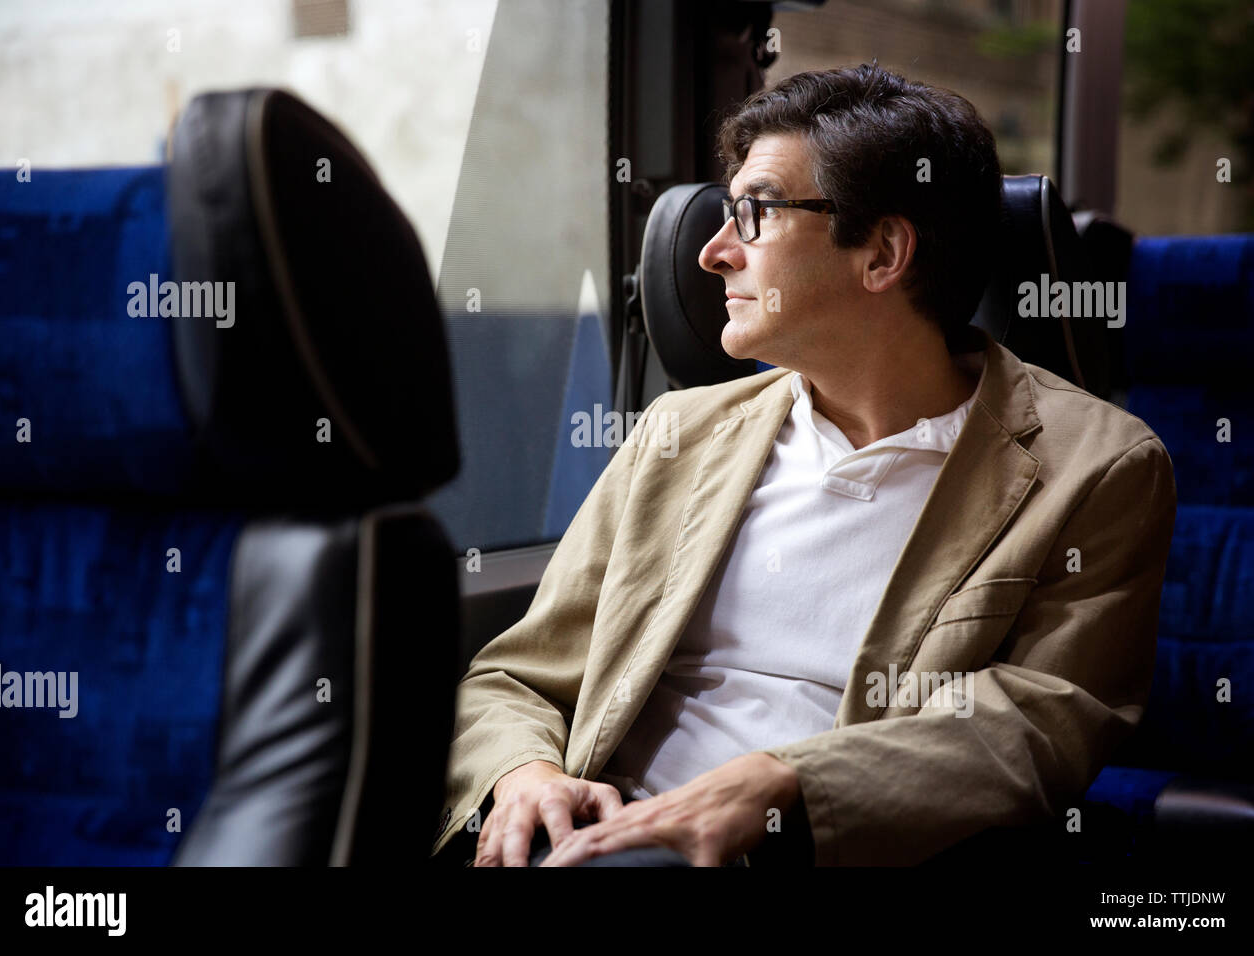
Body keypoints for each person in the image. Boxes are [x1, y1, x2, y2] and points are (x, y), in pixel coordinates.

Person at [431, 63, 1177, 867]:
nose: (714, 253)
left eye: (753, 215)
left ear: (883, 252)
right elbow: (518, 677)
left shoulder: (1097, 468)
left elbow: (1032, 728)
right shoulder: (676, 433)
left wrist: (782, 784)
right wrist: (526, 773)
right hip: (589, 841)